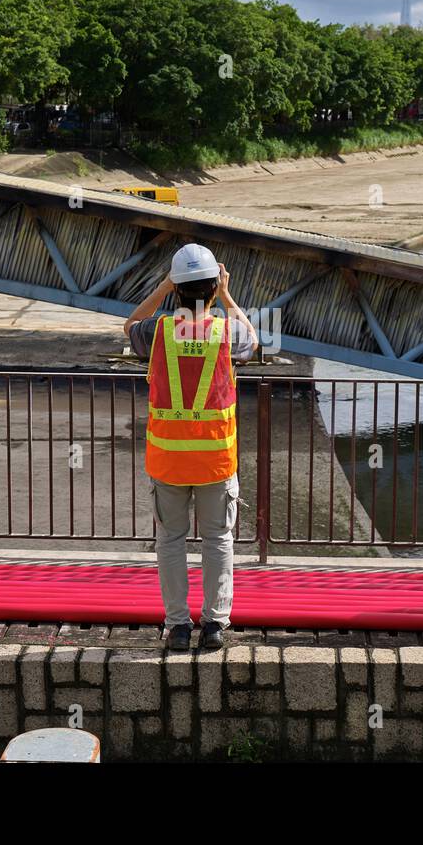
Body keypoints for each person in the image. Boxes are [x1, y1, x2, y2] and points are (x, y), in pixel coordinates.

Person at [124, 243, 258, 650]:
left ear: (176, 289)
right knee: (218, 538)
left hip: (169, 461)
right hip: (215, 459)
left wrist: (162, 286)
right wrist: (229, 296)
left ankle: (178, 626)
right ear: (213, 287)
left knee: (170, 540)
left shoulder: (158, 331)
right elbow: (253, 339)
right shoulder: (226, 331)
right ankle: (215, 624)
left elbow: (130, 323)